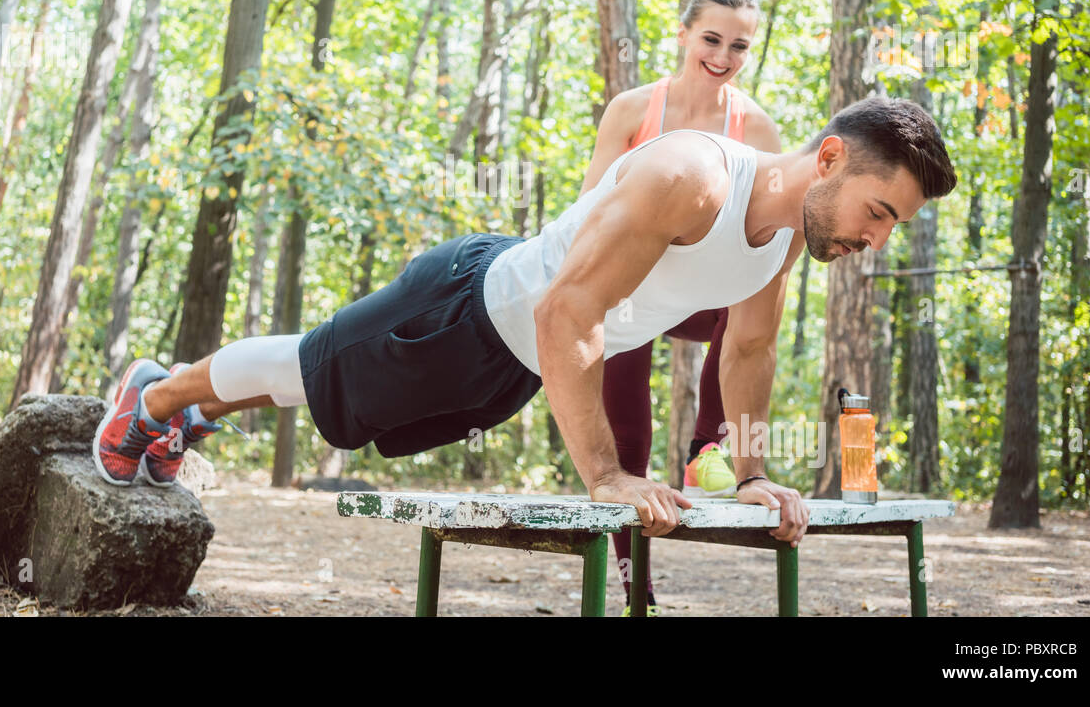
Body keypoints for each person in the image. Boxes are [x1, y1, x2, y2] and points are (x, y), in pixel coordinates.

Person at [93, 96, 957, 562]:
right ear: (832, 158)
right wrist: (608, 476)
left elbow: (750, 349)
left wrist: (755, 475)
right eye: (878, 212)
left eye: (890, 229)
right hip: (468, 309)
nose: (874, 240)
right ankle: (158, 393)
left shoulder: (778, 246)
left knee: (343, 413)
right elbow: (566, 310)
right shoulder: (693, 177)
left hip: (519, 365)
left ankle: (193, 412)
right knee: (309, 370)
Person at [580, 0, 783, 613]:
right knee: (626, 409)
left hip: (703, 292)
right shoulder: (632, 110)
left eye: (739, 45)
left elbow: (763, 238)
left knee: (748, 292)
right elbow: (590, 212)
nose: (723, 55)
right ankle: (631, 577)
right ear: (684, 35)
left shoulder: (757, 128)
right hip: (634, 287)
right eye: (712, 39)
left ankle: (705, 451)